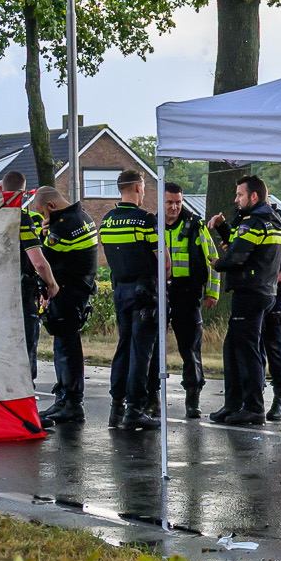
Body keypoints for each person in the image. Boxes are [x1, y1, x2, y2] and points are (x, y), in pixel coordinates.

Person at [209, 175, 281, 425]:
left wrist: (217, 263)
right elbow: (240, 245)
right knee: (232, 348)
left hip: (250, 293)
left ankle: (253, 407)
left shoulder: (255, 222)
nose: (235, 199)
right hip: (261, 291)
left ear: (254, 196)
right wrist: (223, 227)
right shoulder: (271, 220)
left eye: (240, 195)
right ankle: (233, 404)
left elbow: (236, 255)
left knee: (247, 351)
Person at [99, 169, 161, 430]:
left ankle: (116, 407)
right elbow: (163, 261)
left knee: (123, 346)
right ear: (137, 187)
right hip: (144, 292)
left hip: (120, 291)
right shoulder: (146, 219)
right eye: (144, 186)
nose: (144, 191)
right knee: (141, 351)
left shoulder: (107, 221)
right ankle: (135, 408)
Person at [35, 185, 98, 426]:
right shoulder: (83, 217)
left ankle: (70, 402)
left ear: (51, 206)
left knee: (66, 349)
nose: (43, 219)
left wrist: (42, 235)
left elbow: (43, 260)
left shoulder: (63, 227)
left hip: (66, 291)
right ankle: (64, 399)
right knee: (67, 346)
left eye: (43, 214)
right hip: (79, 289)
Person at [162, 182, 219, 419]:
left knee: (190, 349)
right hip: (159, 295)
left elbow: (213, 259)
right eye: (169, 202)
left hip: (187, 293)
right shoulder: (151, 225)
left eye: (178, 202)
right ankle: (149, 398)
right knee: (153, 348)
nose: (175, 207)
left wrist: (212, 292)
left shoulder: (195, 226)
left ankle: (192, 398)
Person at [0, 170, 55, 382]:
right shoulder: (22, 218)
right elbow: (38, 261)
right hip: (20, 293)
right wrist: (51, 284)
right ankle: (24, 395)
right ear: (24, 193)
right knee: (26, 343)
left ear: (2, 190)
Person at [260, 195, 281, 421]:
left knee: (274, 343)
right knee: (250, 344)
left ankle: (280, 397)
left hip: (276, 291)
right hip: (253, 289)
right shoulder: (246, 218)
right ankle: (253, 397)